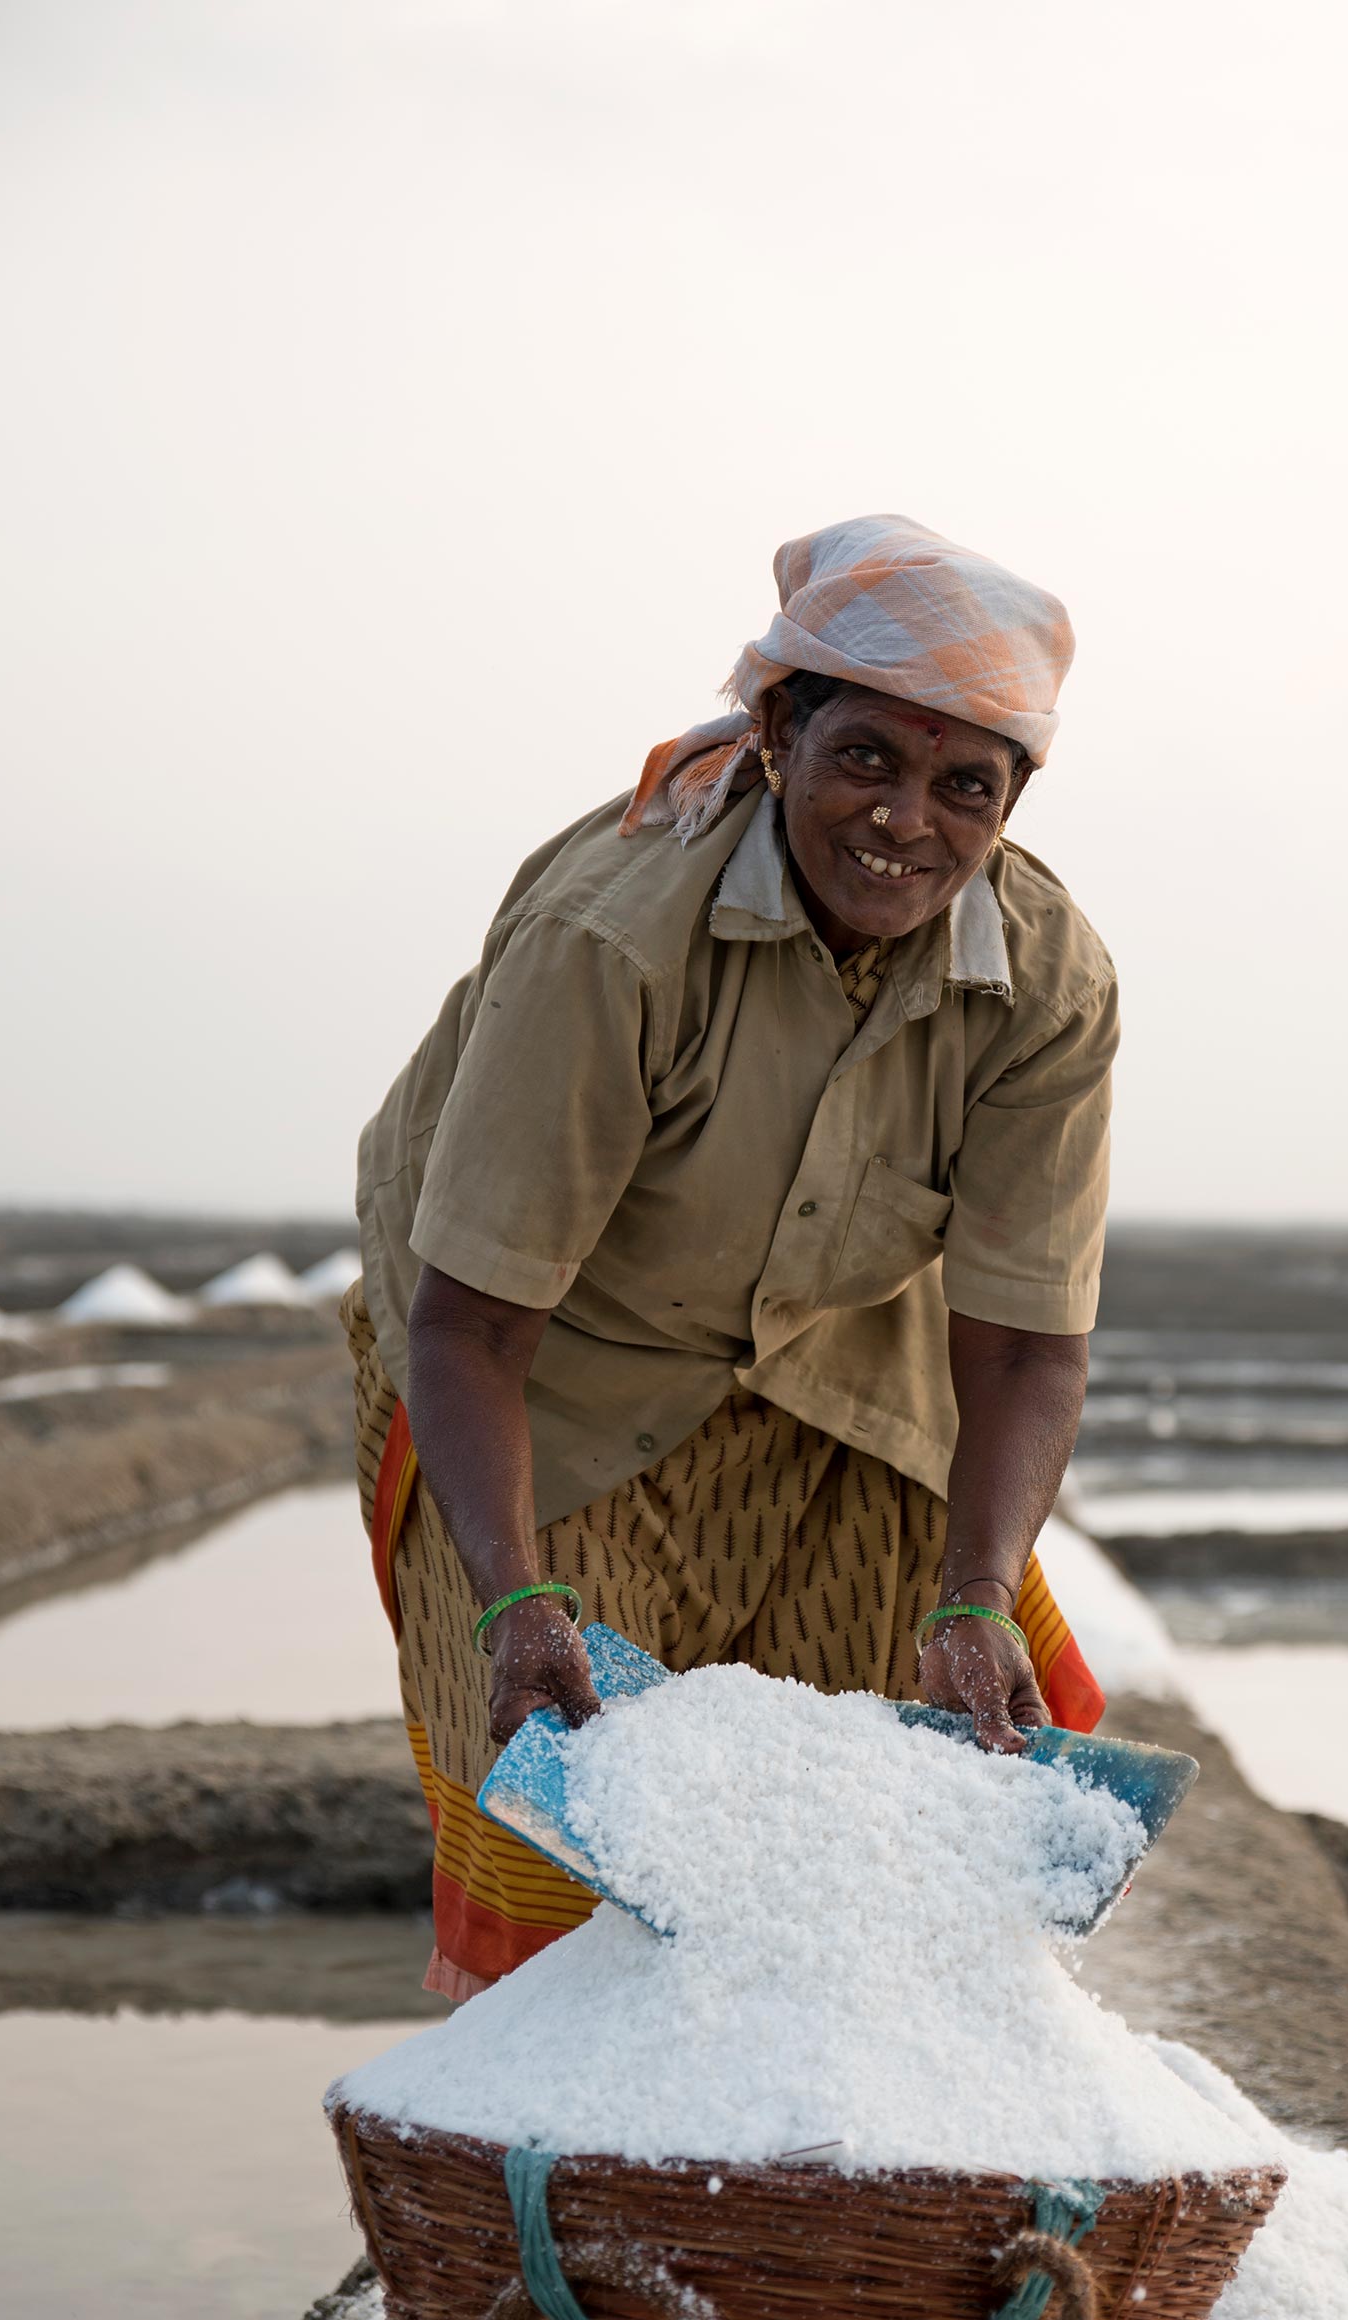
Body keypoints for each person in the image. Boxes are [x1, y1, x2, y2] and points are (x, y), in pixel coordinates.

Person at [345, 514, 1118, 2000]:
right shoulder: (618, 939)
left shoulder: (1047, 983)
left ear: (1014, 802)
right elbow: (471, 1332)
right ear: (777, 732)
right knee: (564, 1803)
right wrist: (511, 1599)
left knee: (896, 1794)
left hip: (837, 1348)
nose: (908, 821)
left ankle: (822, 2176)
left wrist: (972, 1591)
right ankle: (540, 2192)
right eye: (867, 761)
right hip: (540, 1358)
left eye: (967, 786)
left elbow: (1026, 1343)